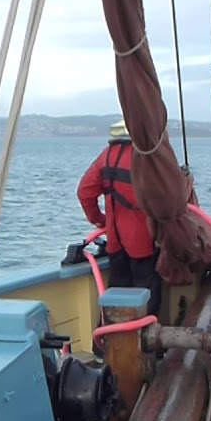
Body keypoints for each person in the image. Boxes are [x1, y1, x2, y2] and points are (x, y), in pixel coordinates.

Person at [77, 119, 163, 320]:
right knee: (148, 295)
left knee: (116, 294)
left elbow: (84, 192)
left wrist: (100, 220)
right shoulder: (147, 158)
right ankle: (145, 345)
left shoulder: (105, 158)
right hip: (145, 241)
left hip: (116, 242)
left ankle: (106, 343)